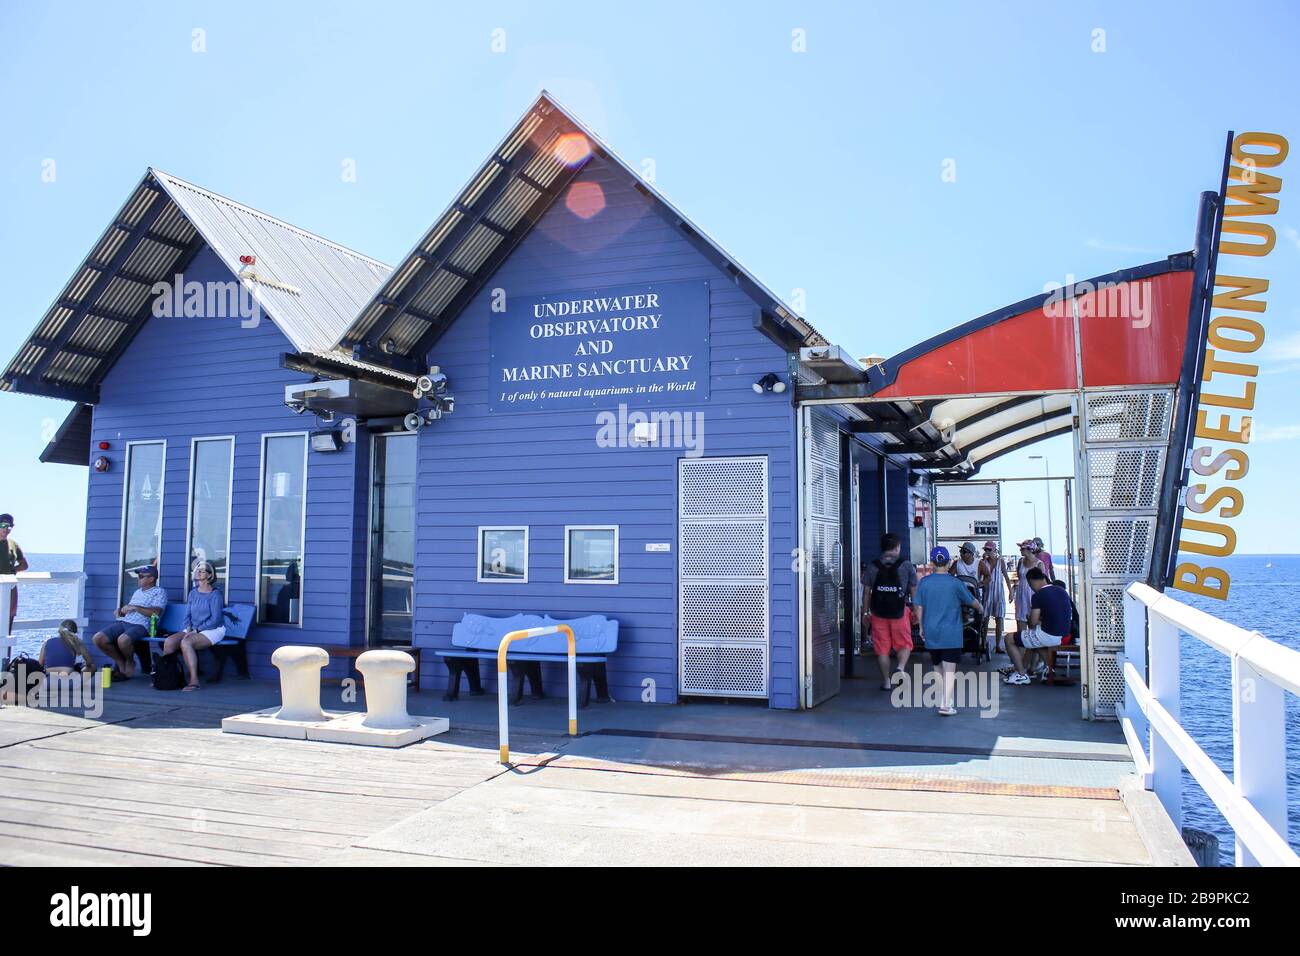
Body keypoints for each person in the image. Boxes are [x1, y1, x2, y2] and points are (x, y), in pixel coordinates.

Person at [913, 546, 980, 716]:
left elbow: (919, 606)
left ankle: (944, 699)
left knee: (937, 667)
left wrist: (921, 626)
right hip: (951, 632)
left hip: (931, 631)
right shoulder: (955, 583)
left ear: (933, 562)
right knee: (949, 669)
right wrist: (981, 609)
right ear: (949, 561)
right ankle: (945, 704)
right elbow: (971, 601)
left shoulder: (925, 582)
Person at [863, 532, 918, 691]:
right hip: (899, 613)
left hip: (878, 614)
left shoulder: (873, 566)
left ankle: (886, 682)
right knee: (905, 645)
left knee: (882, 649)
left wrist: (865, 613)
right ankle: (900, 667)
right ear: (897, 548)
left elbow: (867, 592)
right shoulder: (906, 565)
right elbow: (914, 590)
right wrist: (915, 610)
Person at [92, 565, 166, 680]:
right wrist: (121, 611)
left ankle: (130, 662)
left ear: (151, 579)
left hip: (142, 625)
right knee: (98, 638)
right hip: (125, 622)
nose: (138, 578)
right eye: (138, 576)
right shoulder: (137, 592)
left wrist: (136, 607)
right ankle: (120, 661)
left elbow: (156, 613)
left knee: (123, 640)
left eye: (141, 576)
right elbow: (131, 610)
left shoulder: (159, 592)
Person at [162, 561, 225, 691]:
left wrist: (197, 630)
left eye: (202, 570)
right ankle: (168, 677)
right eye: (197, 570)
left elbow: (216, 619)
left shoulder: (215, 595)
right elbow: (188, 615)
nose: (198, 572)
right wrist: (189, 627)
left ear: (209, 575)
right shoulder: (193, 593)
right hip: (193, 628)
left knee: (186, 642)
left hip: (213, 629)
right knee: (169, 642)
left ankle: (194, 681)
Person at [1002, 567, 1072, 684]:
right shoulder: (1061, 590)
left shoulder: (1038, 596)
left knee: (1009, 639)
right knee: (1035, 641)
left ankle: (1021, 674)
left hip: (1051, 636)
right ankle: (1050, 670)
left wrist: (1029, 618)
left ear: (1031, 582)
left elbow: (1033, 622)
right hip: (1066, 635)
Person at [979, 540, 1014, 654]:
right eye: (986, 549)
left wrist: (1010, 591)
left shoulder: (1001, 561)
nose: (987, 551)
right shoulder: (983, 562)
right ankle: (983, 643)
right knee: (985, 619)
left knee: (999, 619)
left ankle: (998, 645)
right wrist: (984, 560)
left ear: (994, 550)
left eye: (989, 549)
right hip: (987, 592)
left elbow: (1006, 577)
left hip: (998, 593)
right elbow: (979, 576)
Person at [0, 513, 29, 631]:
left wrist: (13, 570)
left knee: (7, 627)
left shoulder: (13, 544)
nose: (7, 529)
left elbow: (24, 565)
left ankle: (6, 650)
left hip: (10, 591)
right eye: (3, 525)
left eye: (10, 526)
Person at [1012, 540, 1041, 643]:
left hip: (1033, 594)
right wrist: (1013, 589)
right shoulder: (1021, 561)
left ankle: (1033, 656)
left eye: (1022, 548)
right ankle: (1022, 654)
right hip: (1021, 593)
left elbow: (1042, 582)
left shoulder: (1039, 564)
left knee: (1033, 626)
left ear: (1029, 550)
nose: (1020, 550)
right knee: (1020, 624)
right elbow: (1019, 578)